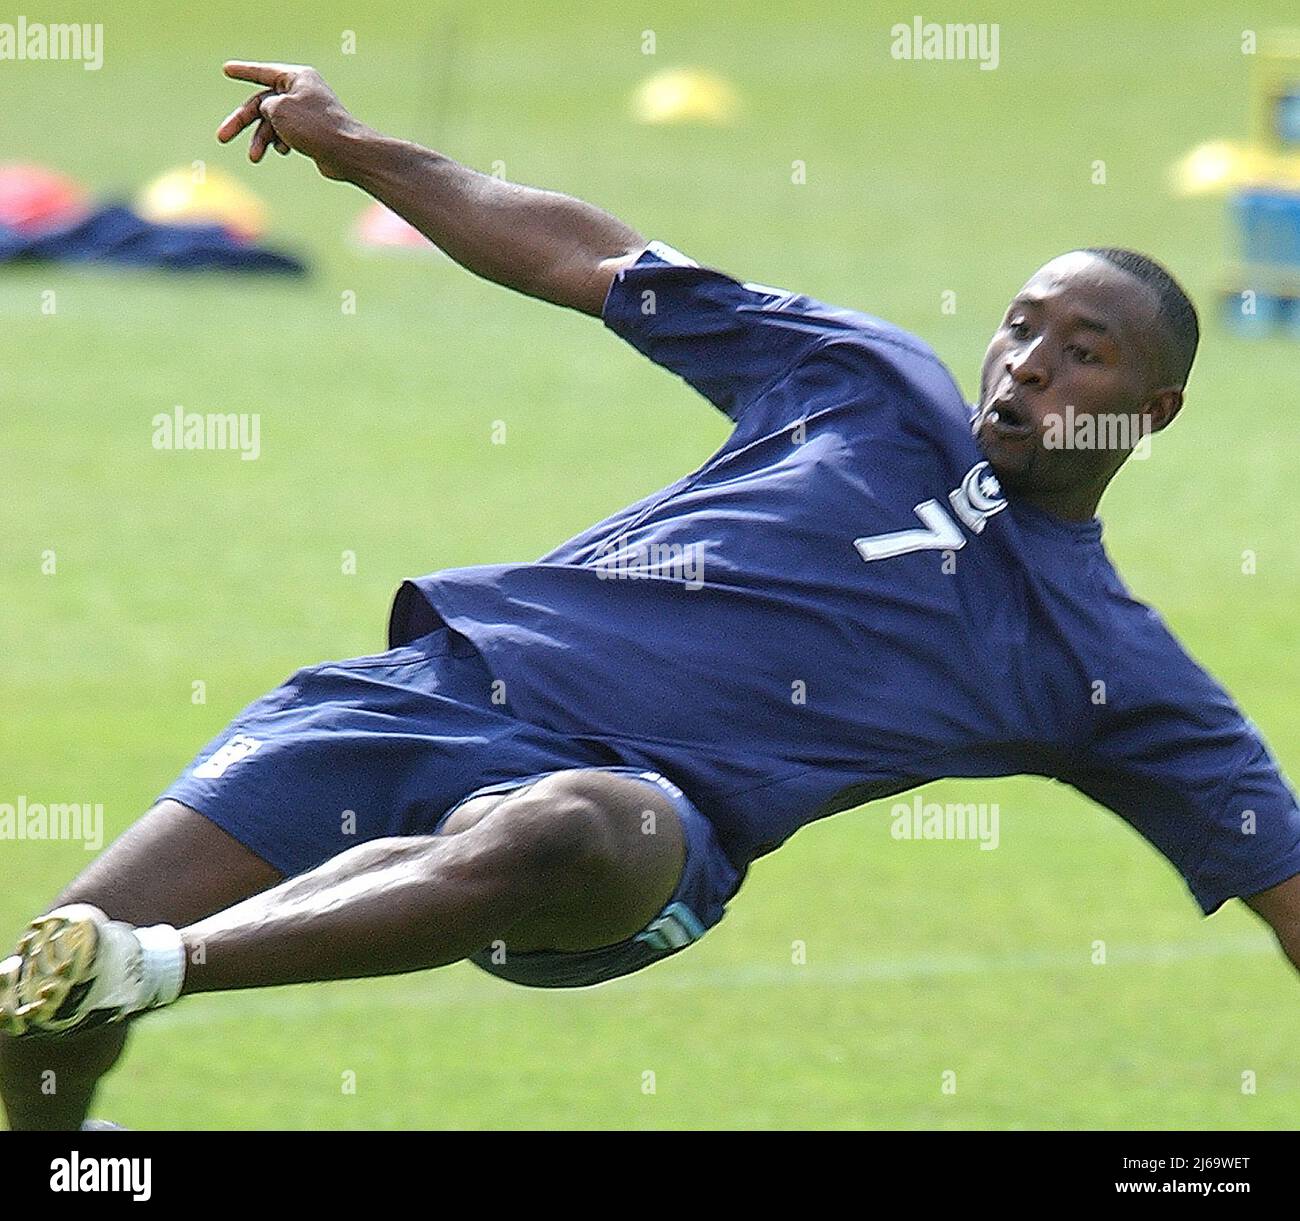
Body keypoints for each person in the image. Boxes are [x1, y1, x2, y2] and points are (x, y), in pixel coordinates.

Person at [4, 61, 1298, 1131]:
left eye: (1084, 354)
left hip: (641, 836)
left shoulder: (1104, 660)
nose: (1027, 367)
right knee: (33, 989)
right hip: (436, 689)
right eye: (1021, 326)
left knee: (558, 822)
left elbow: (1284, 880)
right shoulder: (870, 382)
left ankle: (158, 965)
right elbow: (591, 255)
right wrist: (363, 152)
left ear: (1155, 409)